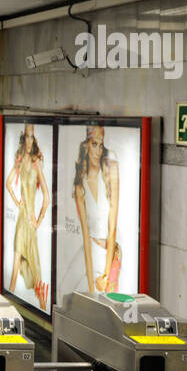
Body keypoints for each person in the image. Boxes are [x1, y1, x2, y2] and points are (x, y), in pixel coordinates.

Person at [6, 125, 50, 309]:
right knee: (16, 261)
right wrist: (18, 202)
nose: (29, 140)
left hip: (29, 220)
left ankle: (42, 305)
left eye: (32, 137)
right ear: (24, 139)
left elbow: (47, 197)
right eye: (27, 137)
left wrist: (38, 221)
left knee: (34, 262)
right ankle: (9, 298)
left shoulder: (35, 162)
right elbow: (9, 183)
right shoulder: (20, 160)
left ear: (34, 139)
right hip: (22, 218)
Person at [72, 126, 121, 294]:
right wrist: (92, 287)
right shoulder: (81, 184)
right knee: (67, 288)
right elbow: (86, 235)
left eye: (101, 145)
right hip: (91, 247)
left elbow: (112, 228)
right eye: (94, 144)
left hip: (107, 252)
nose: (98, 150)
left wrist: (106, 275)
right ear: (86, 145)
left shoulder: (109, 173)